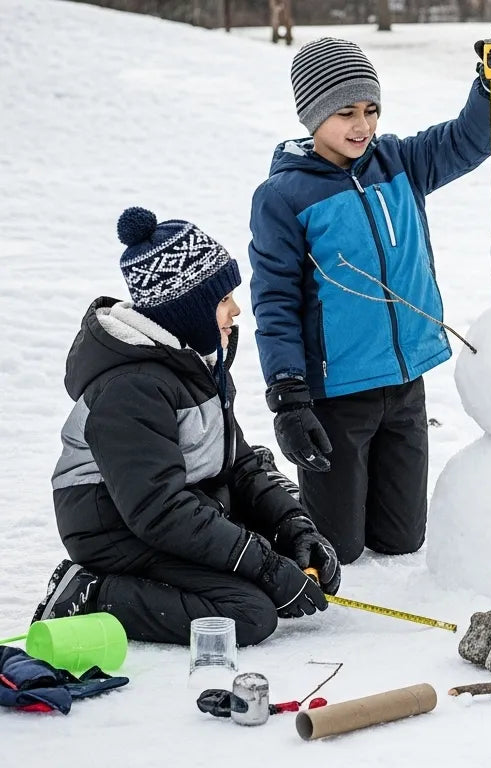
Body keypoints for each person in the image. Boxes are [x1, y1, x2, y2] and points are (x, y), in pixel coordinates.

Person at [248, 30, 491, 563]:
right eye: (345, 113)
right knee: (341, 550)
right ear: (312, 117)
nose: (363, 125)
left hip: (405, 384)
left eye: (370, 109)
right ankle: (274, 501)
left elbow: (467, 141)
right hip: (337, 394)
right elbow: (276, 302)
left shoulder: (400, 161)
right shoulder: (283, 197)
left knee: (401, 540)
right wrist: (287, 396)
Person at [33, 208, 340, 647]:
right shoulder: (130, 388)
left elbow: (238, 463)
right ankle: (92, 592)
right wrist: (261, 565)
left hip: (179, 506)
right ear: (186, 310)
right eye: (222, 300)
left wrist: (293, 526)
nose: (236, 310)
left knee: (265, 568)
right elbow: (157, 508)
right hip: (113, 527)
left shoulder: (195, 361)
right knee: (247, 614)